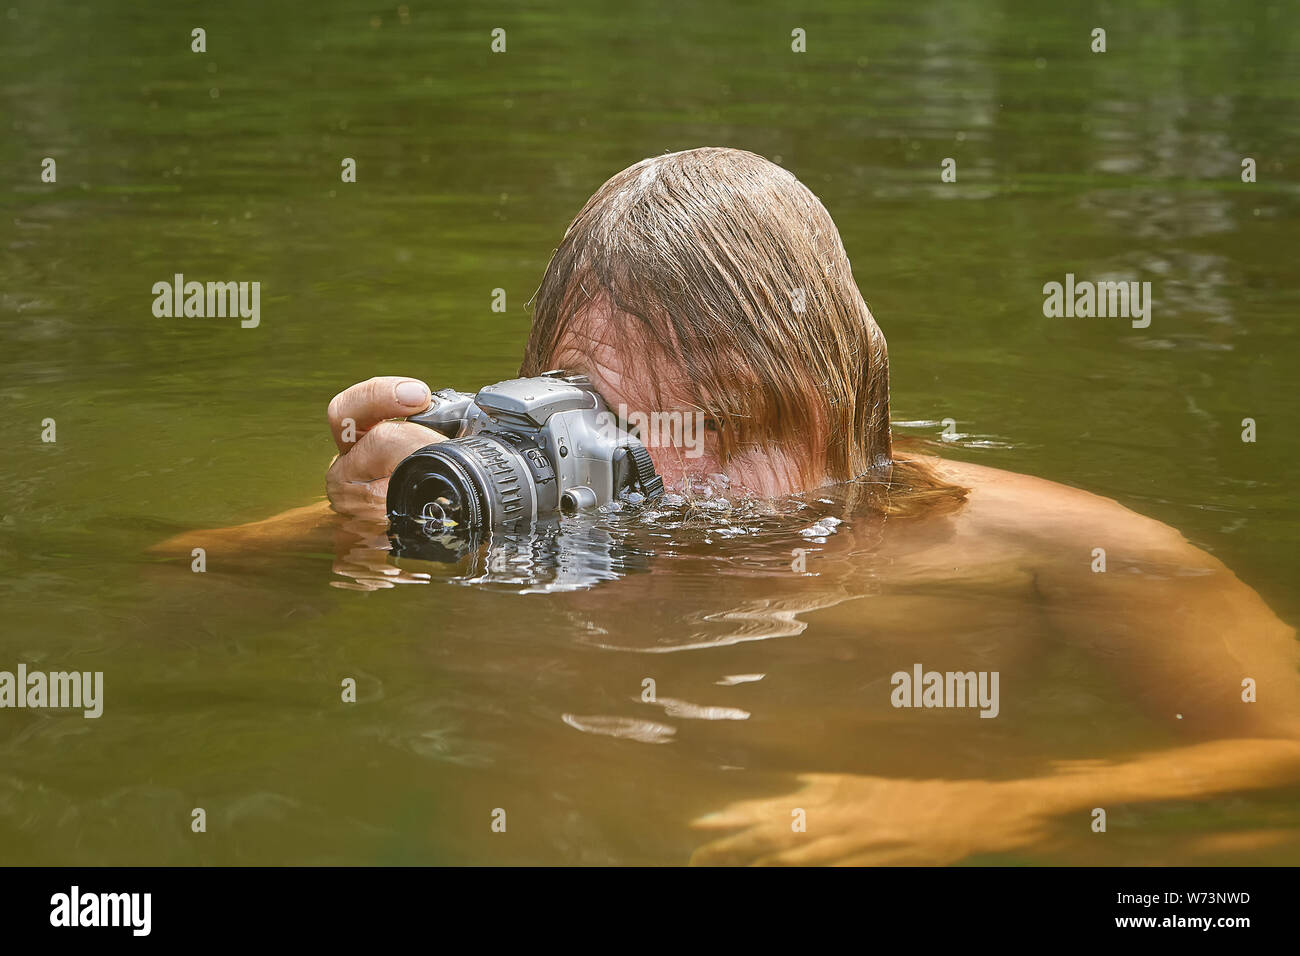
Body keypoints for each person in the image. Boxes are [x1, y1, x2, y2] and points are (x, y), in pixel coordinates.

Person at [161, 147, 1300, 864]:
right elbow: (167, 603)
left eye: (716, 424)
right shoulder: (519, 497)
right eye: (613, 419)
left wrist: (992, 810)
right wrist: (361, 528)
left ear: (834, 406)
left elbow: (1284, 749)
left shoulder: (1052, 546)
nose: (664, 482)